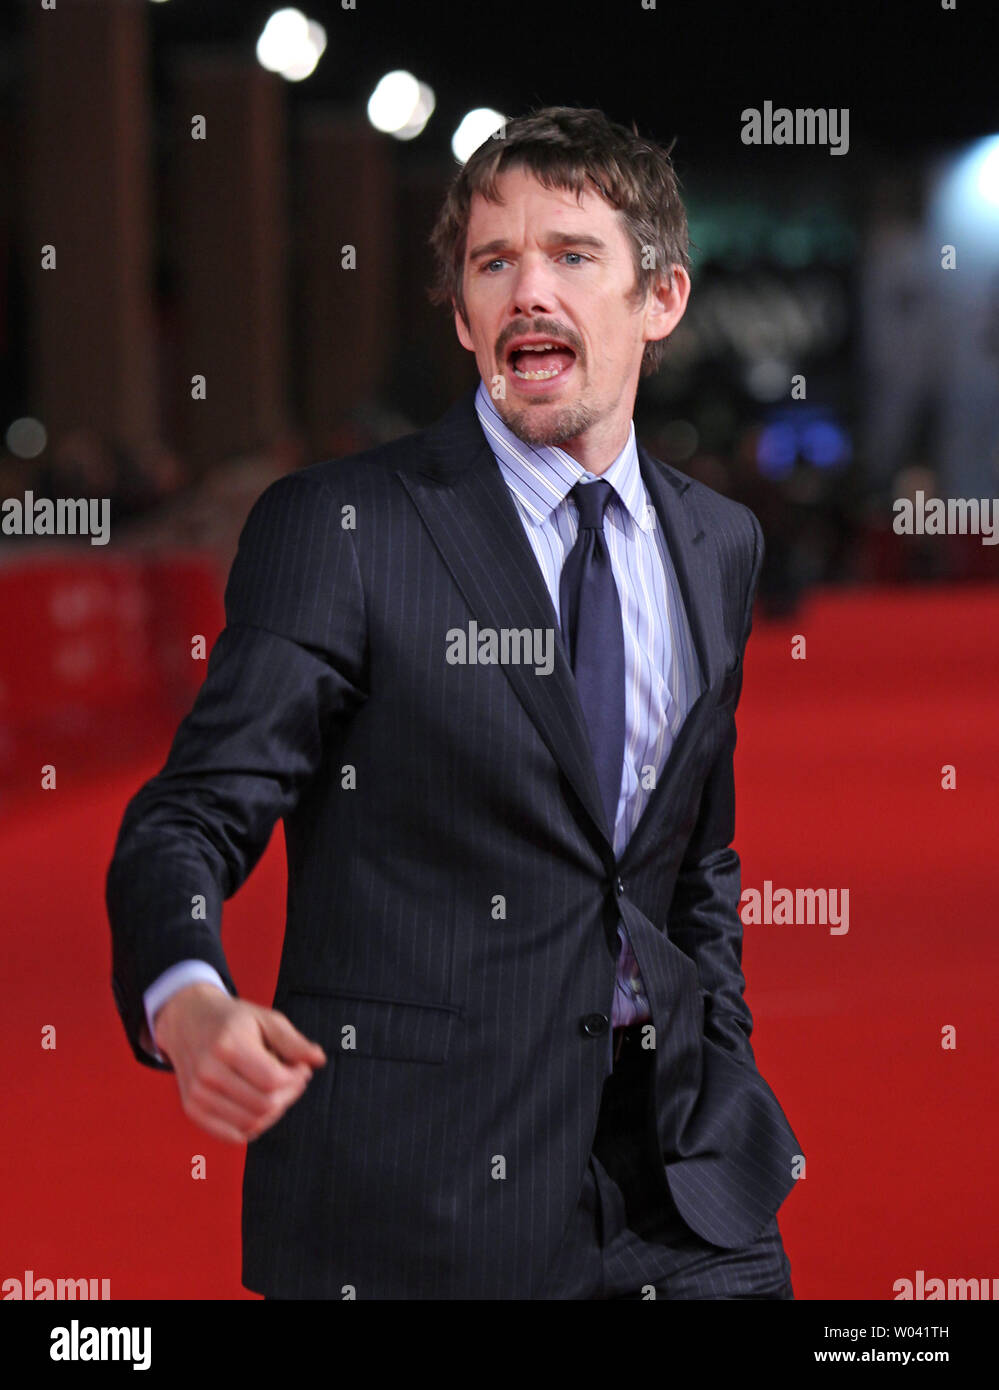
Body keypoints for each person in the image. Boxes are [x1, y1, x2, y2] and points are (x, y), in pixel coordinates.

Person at [106, 105, 803, 1300]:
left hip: (684, 1185)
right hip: (420, 1196)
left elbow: (696, 858)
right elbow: (189, 813)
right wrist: (190, 998)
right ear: (468, 311)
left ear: (661, 300)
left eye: (573, 256)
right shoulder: (347, 526)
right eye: (494, 263)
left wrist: (719, 1054)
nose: (529, 290)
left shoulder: (717, 543)